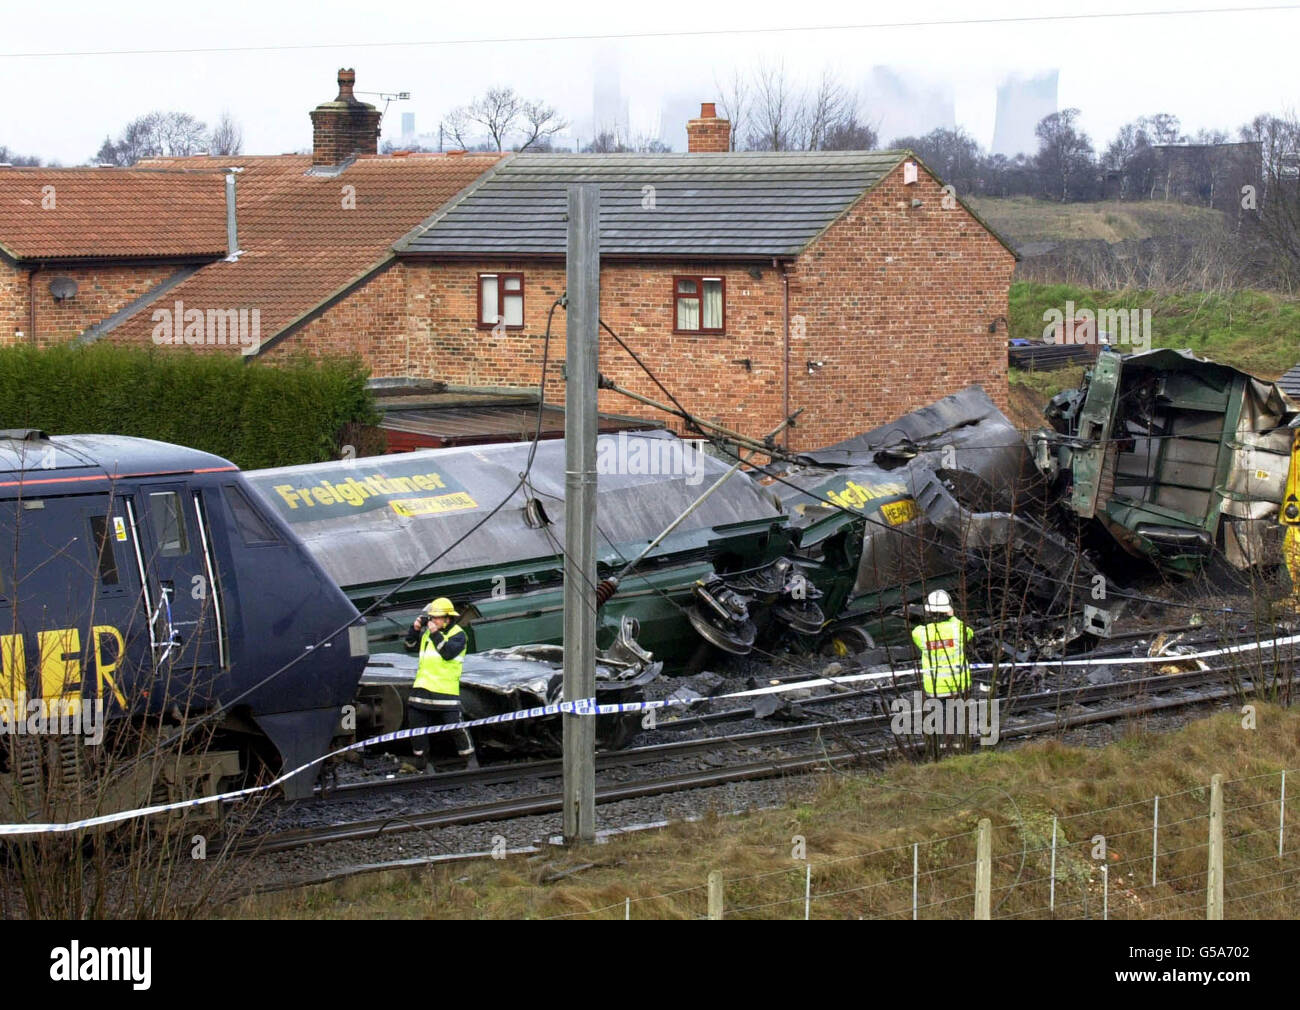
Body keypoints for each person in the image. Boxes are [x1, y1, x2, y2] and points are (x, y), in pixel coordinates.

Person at [403, 597, 478, 770]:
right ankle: (421, 759)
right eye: (432, 617)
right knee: (416, 724)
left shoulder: (458, 634)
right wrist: (414, 629)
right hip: (422, 687)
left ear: (448, 618)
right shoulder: (428, 633)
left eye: (437, 618)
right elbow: (409, 646)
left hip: (445, 690)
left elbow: (448, 653)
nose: (433, 621)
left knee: (455, 726)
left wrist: (435, 633)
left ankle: (470, 759)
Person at [910, 589, 974, 697]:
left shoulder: (919, 633)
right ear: (948, 610)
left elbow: (919, 626)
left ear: (928, 612)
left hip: (935, 689)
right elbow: (970, 633)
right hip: (961, 686)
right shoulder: (958, 628)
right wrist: (952, 617)